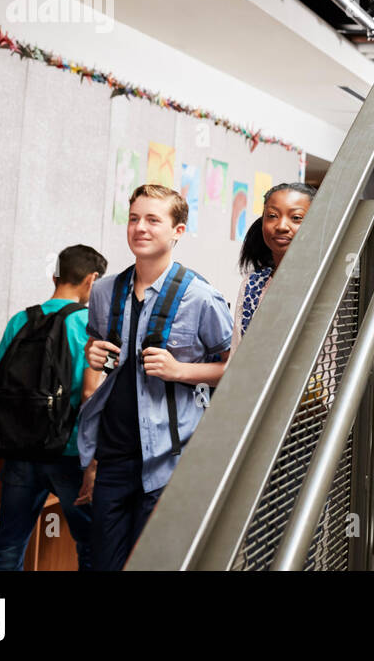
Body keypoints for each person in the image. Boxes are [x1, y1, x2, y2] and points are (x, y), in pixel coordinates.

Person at [79, 184, 234, 570]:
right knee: (103, 564)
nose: (140, 228)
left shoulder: (201, 296)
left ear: (177, 231)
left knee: (156, 564)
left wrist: (181, 370)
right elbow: (98, 349)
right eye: (134, 219)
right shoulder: (102, 291)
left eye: (152, 220)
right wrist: (91, 354)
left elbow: (236, 369)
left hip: (171, 457)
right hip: (113, 455)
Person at [0, 244, 107, 571]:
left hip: (20, 450)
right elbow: (91, 394)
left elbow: (0, 379)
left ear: (56, 275)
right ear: (91, 280)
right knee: (92, 548)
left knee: (7, 548)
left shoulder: (20, 319)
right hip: (69, 451)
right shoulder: (89, 324)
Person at [232, 182, 317, 352]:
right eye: (272, 215)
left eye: (296, 218)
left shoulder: (324, 281)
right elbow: (238, 354)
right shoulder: (253, 285)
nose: (281, 226)